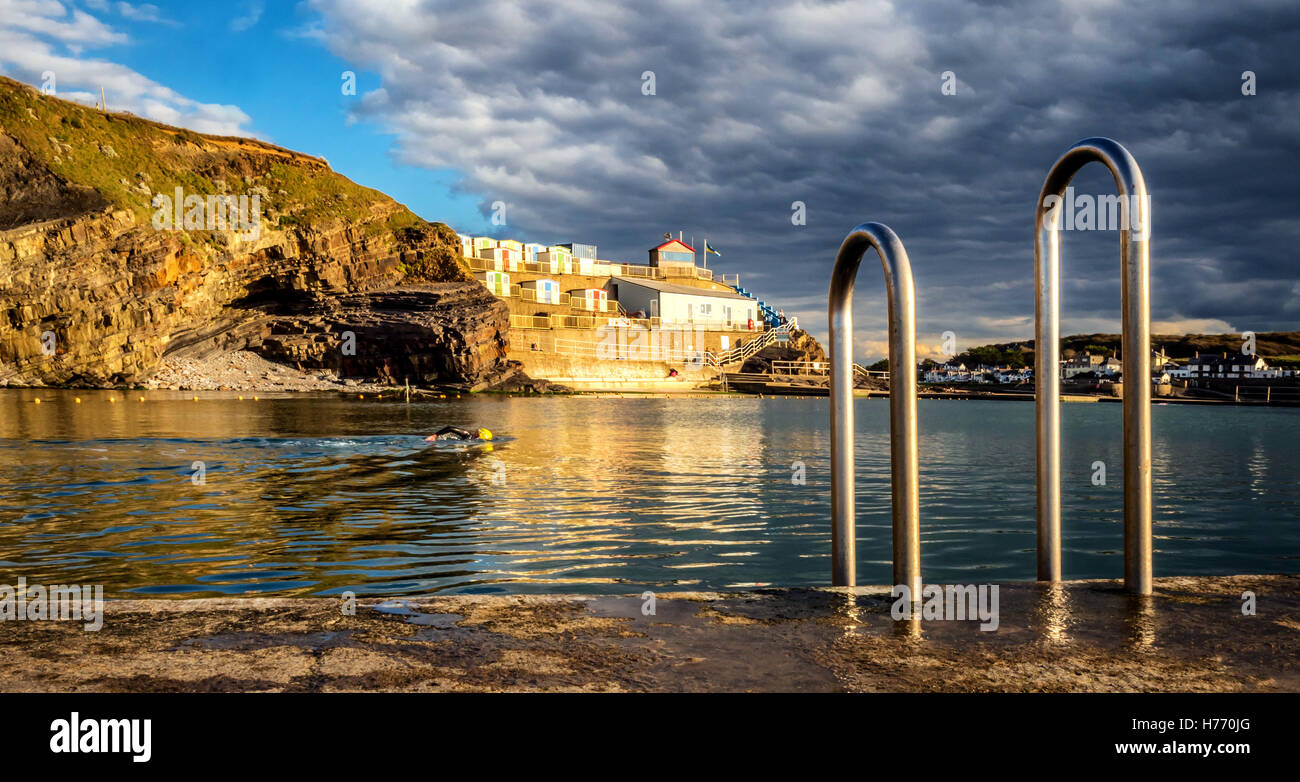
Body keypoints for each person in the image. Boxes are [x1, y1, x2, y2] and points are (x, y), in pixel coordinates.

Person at [425, 426, 493, 442]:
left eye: (476, 432)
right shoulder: (467, 435)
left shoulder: (468, 436)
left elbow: (450, 428)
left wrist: (434, 436)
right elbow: (450, 428)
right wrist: (434, 436)